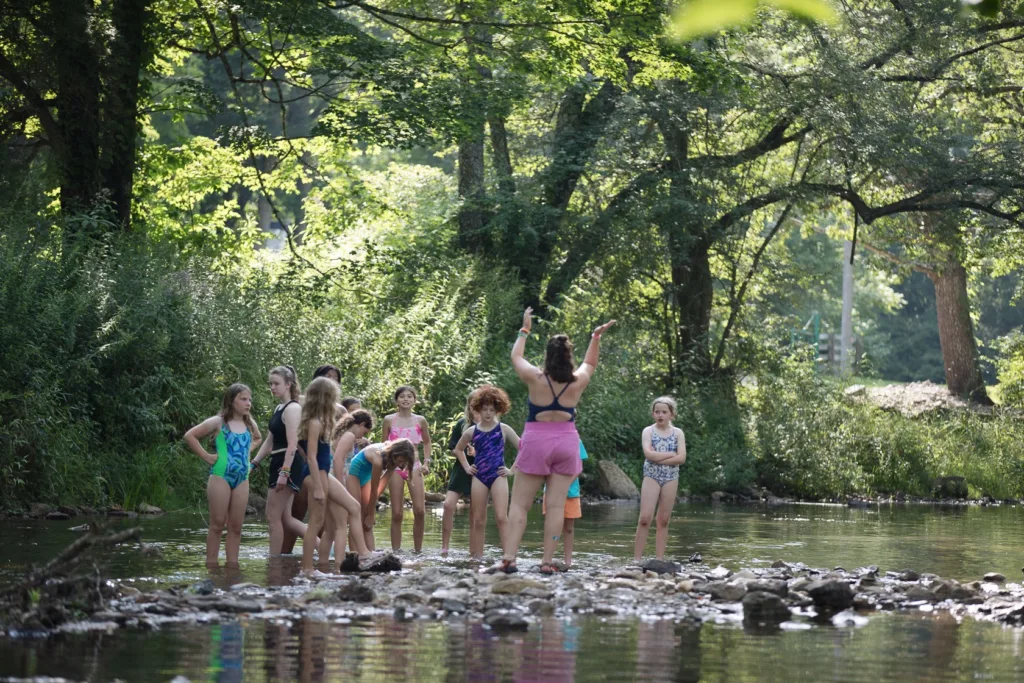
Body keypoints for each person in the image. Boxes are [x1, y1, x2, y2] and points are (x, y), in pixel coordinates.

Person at [489, 307, 615, 575]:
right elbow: (590, 364)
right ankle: (547, 562)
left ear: (547, 356)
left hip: (536, 443)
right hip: (567, 443)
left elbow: (516, 356)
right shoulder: (577, 382)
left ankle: (509, 558)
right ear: (569, 357)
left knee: (520, 504)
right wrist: (595, 338)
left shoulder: (536, 378)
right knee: (557, 506)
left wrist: (525, 330)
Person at [184, 383, 261, 568]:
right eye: (243, 399)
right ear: (231, 400)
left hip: (242, 478)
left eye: (249, 399)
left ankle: (232, 566)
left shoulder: (249, 422)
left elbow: (258, 438)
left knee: (236, 527)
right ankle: (211, 565)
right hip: (220, 476)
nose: (248, 403)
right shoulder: (218, 422)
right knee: (218, 524)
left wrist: (245, 455)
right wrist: (206, 456)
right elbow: (190, 436)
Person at [451, 385, 520, 560]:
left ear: (498, 410)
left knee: (501, 517)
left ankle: (508, 557)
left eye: (491, 409)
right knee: (479, 520)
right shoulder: (472, 431)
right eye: (484, 409)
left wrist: (512, 470)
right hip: (479, 476)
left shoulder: (503, 429)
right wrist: (467, 467)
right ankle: (476, 557)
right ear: (478, 410)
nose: (488, 413)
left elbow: (524, 448)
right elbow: (458, 450)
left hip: (498, 475)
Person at [251, 366, 309, 555]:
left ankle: (274, 562)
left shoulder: (293, 409)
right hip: (279, 461)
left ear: (288, 384)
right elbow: (270, 440)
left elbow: (293, 444)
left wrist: (284, 473)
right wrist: (254, 463)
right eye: (270, 384)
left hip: (287, 464)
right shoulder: (279, 408)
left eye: (276, 384)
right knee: (286, 519)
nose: (272, 387)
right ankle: (326, 548)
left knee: (271, 516)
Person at [296, 377, 341, 575]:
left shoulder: (321, 421)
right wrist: (318, 487)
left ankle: (313, 566)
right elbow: (311, 458)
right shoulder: (315, 423)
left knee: (320, 521)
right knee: (315, 521)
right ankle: (307, 568)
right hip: (315, 474)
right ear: (326, 398)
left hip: (321, 472)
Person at [318, 410, 375, 566]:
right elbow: (338, 459)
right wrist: (340, 485)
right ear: (361, 424)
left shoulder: (339, 433)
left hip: (326, 478)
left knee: (330, 529)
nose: (362, 436)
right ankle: (339, 566)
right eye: (364, 431)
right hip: (334, 480)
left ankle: (323, 564)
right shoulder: (349, 435)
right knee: (341, 526)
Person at [634, 396, 686, 561]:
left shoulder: (678, 433)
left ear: (672, 414)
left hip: (671, 477)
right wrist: (670, 454)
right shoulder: (648, 431)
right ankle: (636, 559)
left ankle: (659, 559)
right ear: (653, 414)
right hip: (652, 476)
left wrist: (659, 457)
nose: (660, 415)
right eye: (657, 412)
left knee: (663, 520)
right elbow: (648, 454)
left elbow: (681, 458)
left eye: (664, 412)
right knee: (645, 518)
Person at [382, 386, 432, 552]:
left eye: (409, 396)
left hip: (415, 466)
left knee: (419, 511)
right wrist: (384, 465)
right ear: (396, 400)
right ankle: (396, 552)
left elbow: (426, 442)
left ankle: (418, 551)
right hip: (394, 467)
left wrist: (426, 462)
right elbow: (383, 445)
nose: (405, 399)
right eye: (402, 396)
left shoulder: (420, 420)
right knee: (397, 513)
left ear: (414, 400)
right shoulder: (389, 420)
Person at [346, 440, 416, 551]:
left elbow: (379, 489)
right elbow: (374, 490)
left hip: (366, 477)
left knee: (367, 525)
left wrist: (369, 511)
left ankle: (372, 555)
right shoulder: (378, 459)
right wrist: (371, 514)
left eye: (404, 462)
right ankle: (354, 556)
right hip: (354, 474)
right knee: (357, 518)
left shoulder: (392, 460)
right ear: (396, 453)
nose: (401, 464)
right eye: (401, 460)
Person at [543, 441, 588, 570]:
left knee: (568, 528)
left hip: (571, 491)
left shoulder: (576, 441)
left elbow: (579, 467)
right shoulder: (548, 440)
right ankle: (547, 559)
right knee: (551, 525)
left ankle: (568, 561)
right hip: (551, 490)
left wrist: (566, 484)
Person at [441, 393, 478, 556]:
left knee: (474, 513)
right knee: (448, 505)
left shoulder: (492, 425)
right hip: (461, 469)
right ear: (468, 405)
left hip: (480, 469)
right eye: (472, 403)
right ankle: (445, 548)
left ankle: (473, 550)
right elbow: (454, 447)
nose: (475, 407)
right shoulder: (462, 424)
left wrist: (477, 453)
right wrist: (465, 454)